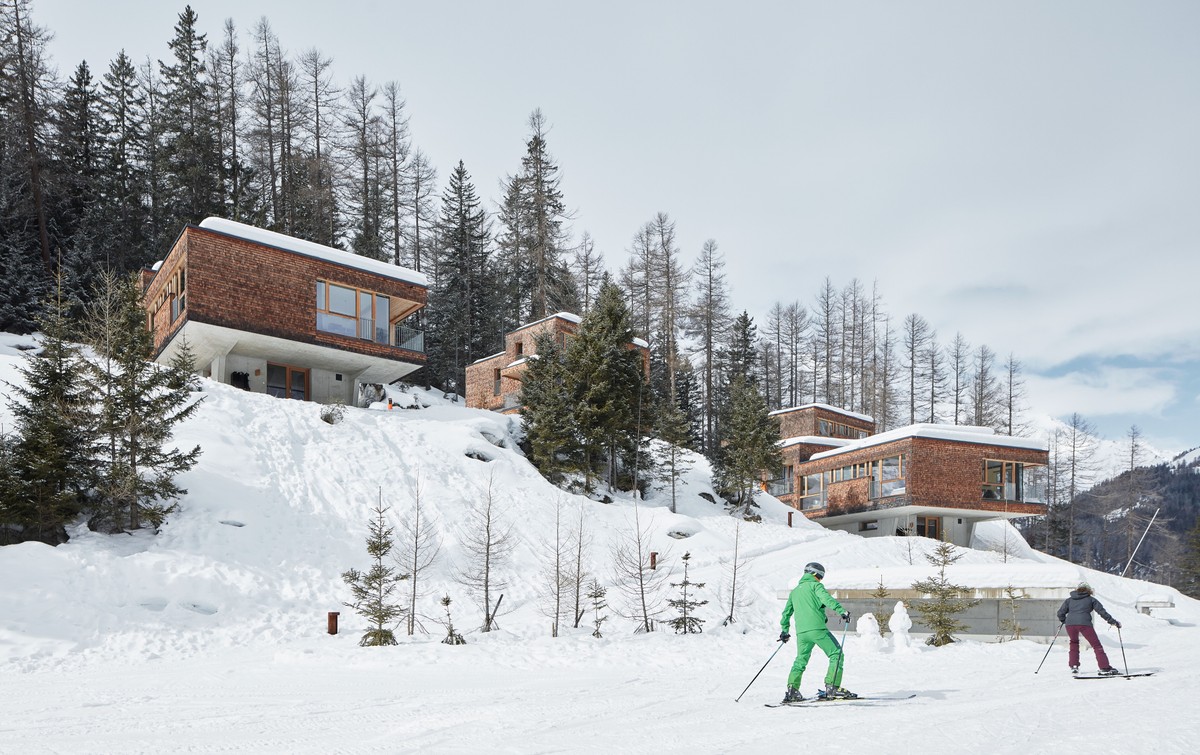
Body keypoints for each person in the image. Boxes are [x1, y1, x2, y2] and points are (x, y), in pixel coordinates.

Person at [778, 562, 856, 702]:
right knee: (836, 654)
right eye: (820, 577)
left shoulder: (795, 591)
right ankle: (832, 687)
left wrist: (785, 631)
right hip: (817, 630)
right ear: (816, 574)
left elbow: (786, 613)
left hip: (802, 633)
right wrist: (841, 611)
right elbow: (826, 599)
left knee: (800, 660)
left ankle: (792, 690)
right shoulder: (816, 586)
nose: (820, 580)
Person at [1056, 582, 1122, 675]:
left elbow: (1060, 613)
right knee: (1096, 645)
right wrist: (1113, 622)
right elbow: (1102, 612)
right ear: (1089, 590)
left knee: (1074, 642)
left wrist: (1065, 621)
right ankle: (1104, 667)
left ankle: (1074, 666)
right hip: (1084, 624)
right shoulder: (1091, 600)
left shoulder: (1069, 600)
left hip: (1070, 625)